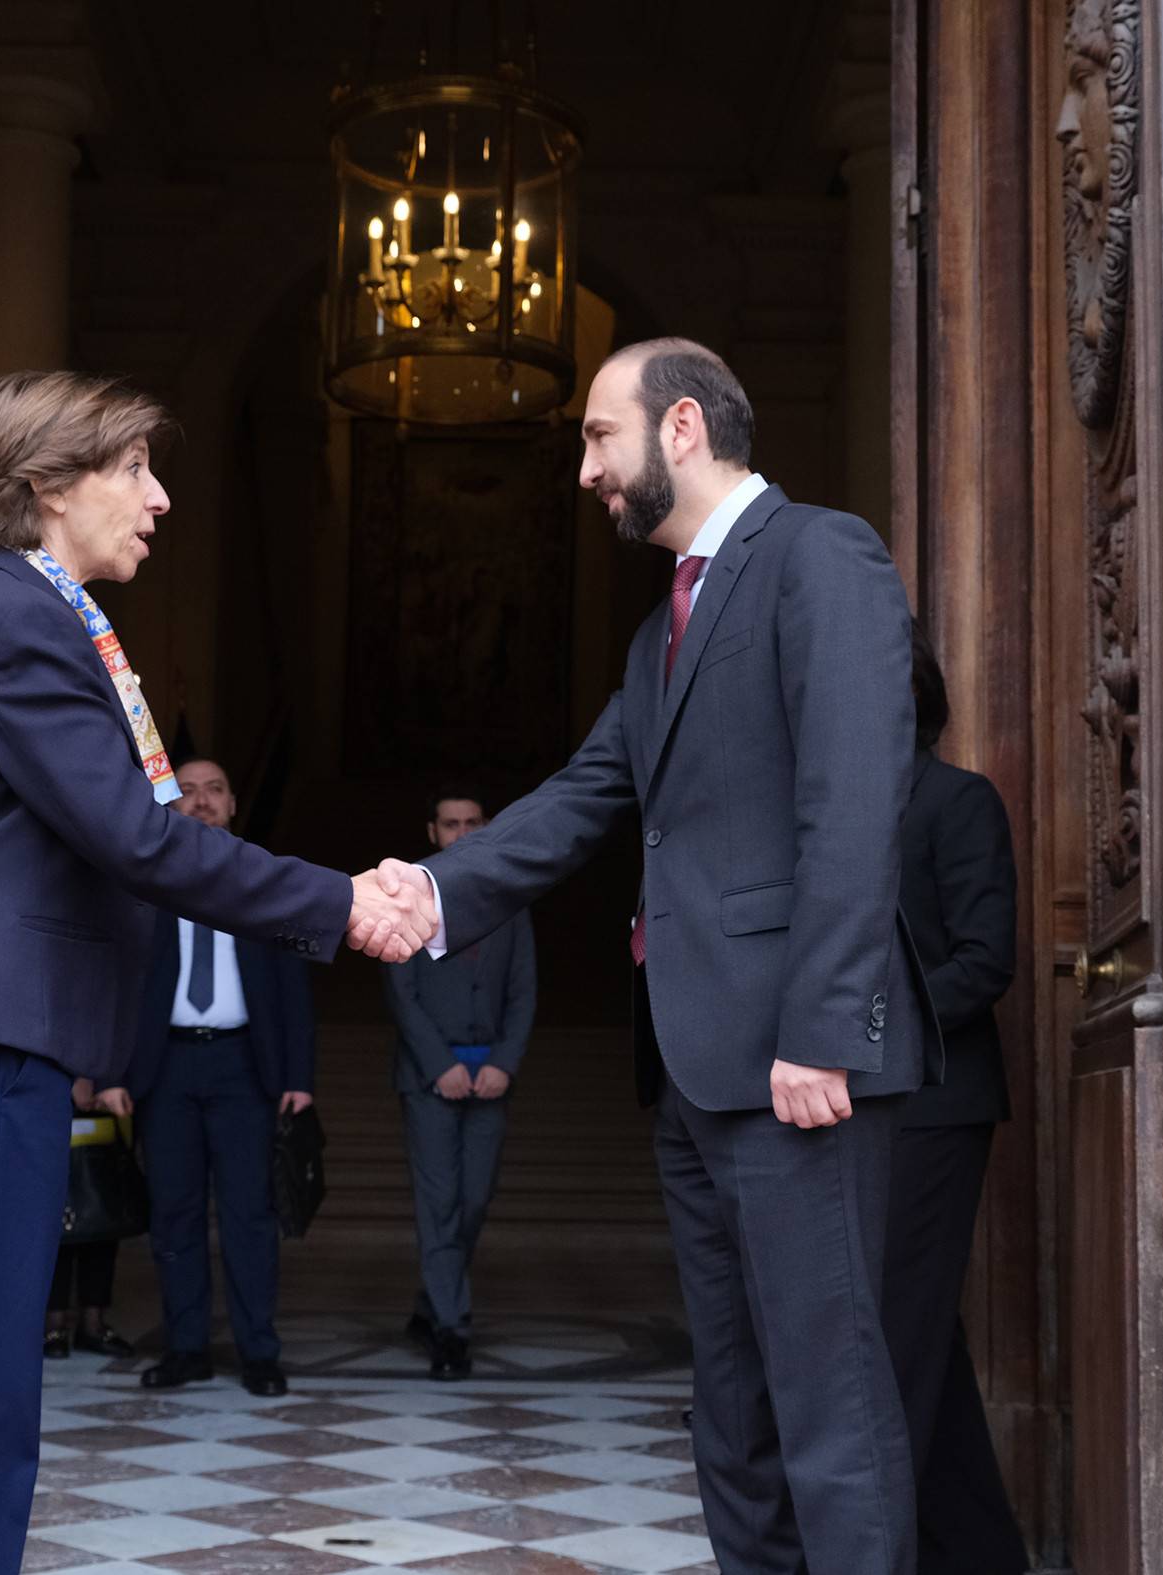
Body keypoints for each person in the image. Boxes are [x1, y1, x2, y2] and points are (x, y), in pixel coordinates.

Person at [0, 370, 437, 1575]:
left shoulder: (34, 616)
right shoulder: (18, 622)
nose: (159, 500)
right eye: (136, 470)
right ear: (50, 486)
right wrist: (343, 903)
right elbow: (142, 840)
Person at [377, 337, 940, 1574]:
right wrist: (427, 889)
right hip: (695, 1072)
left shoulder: (821, 554)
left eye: (598, 437)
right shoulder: (659, 634)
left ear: (680, 426)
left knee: (829, 1403)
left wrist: (822, 1031)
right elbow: (581, 800)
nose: (585, 470)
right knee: (730, 1410)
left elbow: (855, 802)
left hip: (797, 1068)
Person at [883, 630, 1030, 1573]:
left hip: (937, 1108)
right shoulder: (831, 810)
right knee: (917, 1329)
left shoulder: (959, 800)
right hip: (862, 1109)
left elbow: (984, 961)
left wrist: (863, 1030)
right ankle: (980, 1555)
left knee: (895, 1331)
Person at [99, 759, 315, 1398]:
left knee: (250, 1214)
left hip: (244, 1066)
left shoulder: (263, 879)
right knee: (174, 1214)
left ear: (234, 802)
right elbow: (116, 981)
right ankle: (186, 1348)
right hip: (165, 1068)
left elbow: (293, 983)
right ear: (168, 804)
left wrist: (299, 1074)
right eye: (187, 791)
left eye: (214, 790)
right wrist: (110, 1070)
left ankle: (259, 1353)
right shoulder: (142, 881)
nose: (201, 801)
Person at [383, 789, 535, 1380]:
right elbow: (402, 995)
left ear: (487, 825)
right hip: (430, 1079)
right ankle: (451, 1329)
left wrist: (506, 1062)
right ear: (432, 831)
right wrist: (438, 1064)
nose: (463, 833)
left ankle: (432, 1302)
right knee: (439, 1202)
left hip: (492, 1076)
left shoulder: (509, 901)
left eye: (473, 822)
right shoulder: (404, 900)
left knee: (472, 1201)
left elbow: (523, 990)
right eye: (451, 824)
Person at [44, 1078, 137, 1361]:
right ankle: (53, 1326)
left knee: (101, 1213)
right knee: (54, 1219)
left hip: (103, 1094)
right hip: (52, 1088)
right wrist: (74, 1079)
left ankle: (93, 1324)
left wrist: (102, 1079)